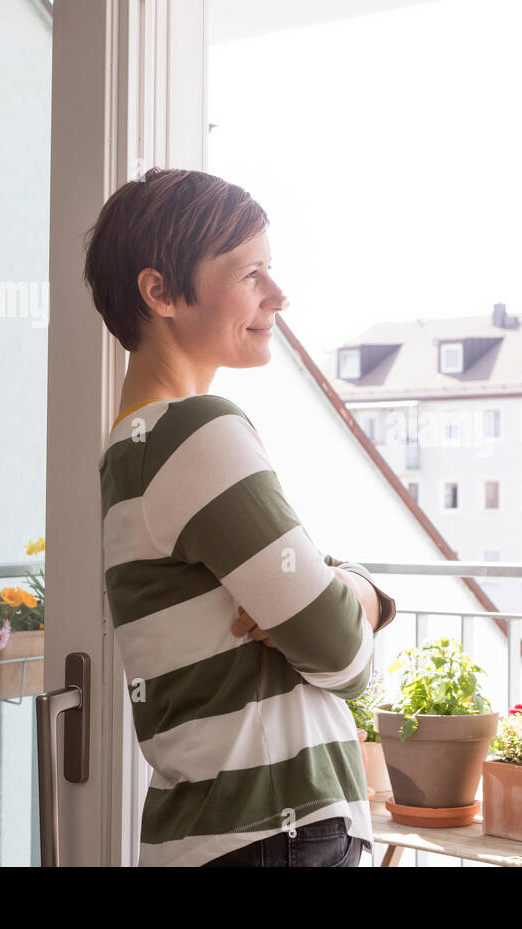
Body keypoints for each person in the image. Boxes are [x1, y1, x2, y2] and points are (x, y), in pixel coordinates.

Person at [87, 168, 395, 866]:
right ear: (159, 292)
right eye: (251, 272)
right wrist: (366, 596)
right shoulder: (195, 432)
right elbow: (343, 653)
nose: (277, 295)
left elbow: (314, 618)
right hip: (275, 839)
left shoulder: (130, 448)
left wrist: (330, 587)